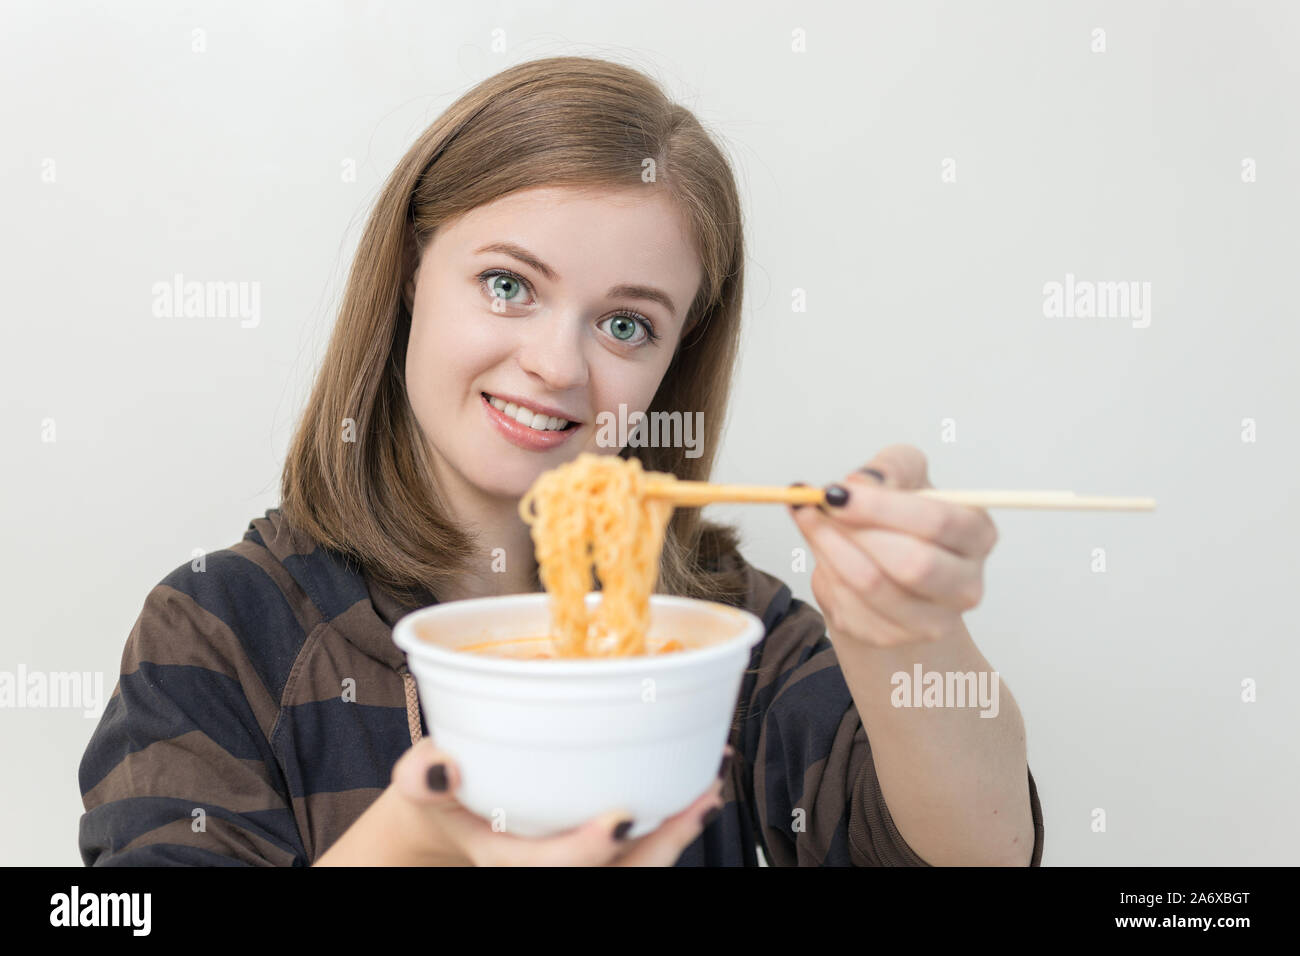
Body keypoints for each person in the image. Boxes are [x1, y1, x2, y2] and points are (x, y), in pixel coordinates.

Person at [78, 55, 1044, 866]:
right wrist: (417, 847)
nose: (555, 365)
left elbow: (964, 854)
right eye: (509, 285)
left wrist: (910, 635)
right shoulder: (221, 631)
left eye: (626, 324)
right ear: (412, 273)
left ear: (674, 360)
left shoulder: (718, 627)